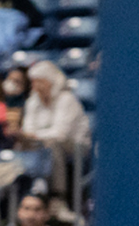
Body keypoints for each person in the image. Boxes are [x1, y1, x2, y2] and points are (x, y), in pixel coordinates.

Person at [16, 61, 89, 201]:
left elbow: (60, 133)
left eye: (40, 82)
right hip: (42, 144)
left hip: (75, 146)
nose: (36, 87)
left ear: (51, 82)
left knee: (53, 145)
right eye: (34, 82)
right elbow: (27, 130)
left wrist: (36, 136)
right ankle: (26, 197)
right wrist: (30, 136)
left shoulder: (66, 99)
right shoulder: (32, 101)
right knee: (21, 145)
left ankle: (57, 198)